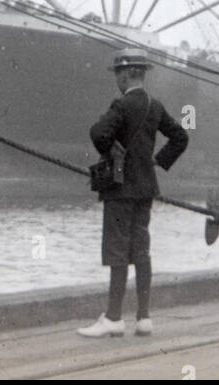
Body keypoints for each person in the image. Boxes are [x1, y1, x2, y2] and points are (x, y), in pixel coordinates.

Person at [77, 51, 188, 338]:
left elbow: (99, 134)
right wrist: (158, 160)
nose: (116, 79)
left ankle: (113, 318)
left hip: (120, 189)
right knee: (141, 250)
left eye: (117, 74)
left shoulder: (122, 104)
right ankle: (144, 318)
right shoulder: (155, 105)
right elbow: (180, 137)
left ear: (127, 75)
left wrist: (113, 149)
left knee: (117, 252)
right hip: (146, 188)